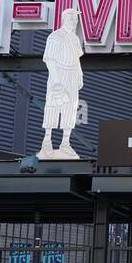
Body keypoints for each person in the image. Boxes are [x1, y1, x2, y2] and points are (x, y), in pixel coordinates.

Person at [39, 8, 85, 158]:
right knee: (53, 107)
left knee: (70, 108)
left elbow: (77, 59)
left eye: (76, 19)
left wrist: (79, 75)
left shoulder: (75, 38)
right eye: (72, 18)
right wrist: (57, 81)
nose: (74, 21)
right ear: (65, 19)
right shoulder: (55, 36)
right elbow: (50, 60)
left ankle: (65, 143)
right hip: (59, 74)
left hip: (71, 73)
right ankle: (47, 142)